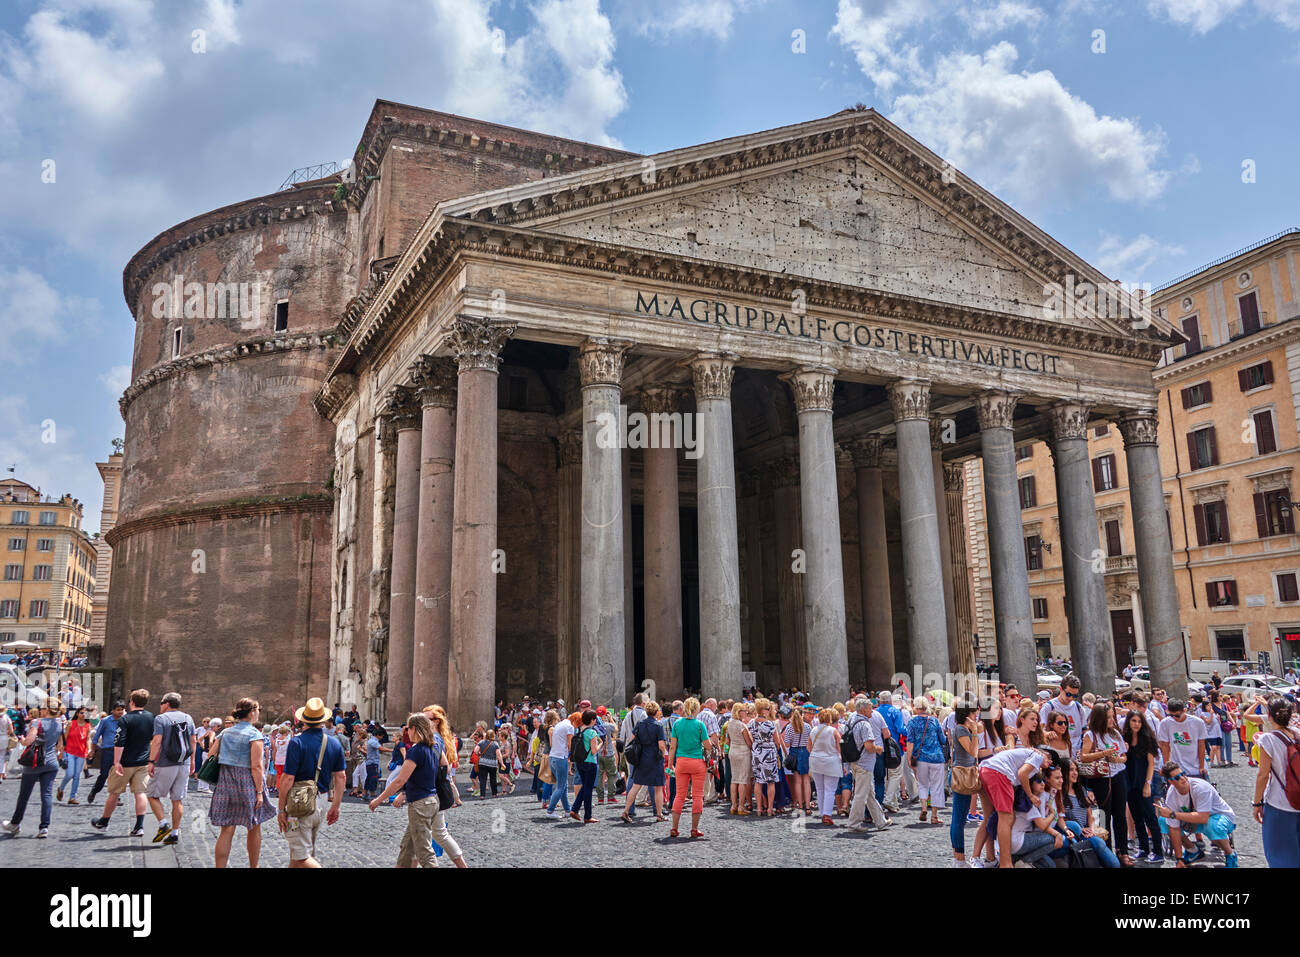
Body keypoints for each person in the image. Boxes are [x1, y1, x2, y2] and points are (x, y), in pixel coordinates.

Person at [370, 711, 466, 867]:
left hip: (420, 803)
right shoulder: (434, 746)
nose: (406, 731)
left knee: (424, 852)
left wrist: (378, 800)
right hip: (433, 800)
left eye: (408, 728)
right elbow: (446, 769)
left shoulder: (416, 750)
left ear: (414, 729)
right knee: (408, 847)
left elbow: (399, 780)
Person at [277, 697, 346, 868]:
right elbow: (341, 777)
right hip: (321, 801)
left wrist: (280, 809)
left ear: (303, 719)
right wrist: (335, 806)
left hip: (299, 804)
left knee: (302, 857)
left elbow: (287, 779)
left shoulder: (297, 742)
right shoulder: (334, 743)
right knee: (299, 852)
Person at [209, 697, 276, 867]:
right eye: (258, 709)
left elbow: (210, 755)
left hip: (225, 781)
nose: (259, 712)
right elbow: (256, 766)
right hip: (248, 782)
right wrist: (260, 792)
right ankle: (254, 866)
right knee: (254, 826)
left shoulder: (225, 732)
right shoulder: (254, 734)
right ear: (252, 711)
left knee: (227, 829)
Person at [978, 745, 1055, 867]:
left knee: (997, 816)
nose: (1050, 761)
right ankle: (1005, 862)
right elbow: (1022, 773)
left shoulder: (1029, 755)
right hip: (998, 772)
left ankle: (984, 857)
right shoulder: (1038, 756)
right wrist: (1030, 795)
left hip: (985, 769)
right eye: (1048, 757)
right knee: (1006, 818)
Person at [91, 689, 153, 837]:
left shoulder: (125, 719)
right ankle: (139, 826)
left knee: (114, 792)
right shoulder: (151, 717)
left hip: (125, 762)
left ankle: (104, 822)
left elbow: (119, 741)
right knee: (140, 793)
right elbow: (153, 739)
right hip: (143, 762)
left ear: (131, 702)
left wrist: (117, 761)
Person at [1156, 761, 1237, 867]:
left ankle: (1230, 854)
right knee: (1164, 821)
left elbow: (1203, 818)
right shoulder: (1172, 794)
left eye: (1183, 774)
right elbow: (1174, 828)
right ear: (1171, 782)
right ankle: (1193, 851)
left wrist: (1173, 814)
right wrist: (1179, 859)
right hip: (1195, 819)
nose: (1182, 778)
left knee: (1212, 826)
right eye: (1177, 777)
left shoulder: (1200, 787)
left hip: (1219, 816)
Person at [1, 702, 64, 838]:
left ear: (47, 709)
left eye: (41, 708)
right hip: (51, 762)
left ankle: (15, 823)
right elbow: (60, 746)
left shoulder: (37, 722)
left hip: (35, 763)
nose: (40, 711)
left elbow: (29, 741)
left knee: (24, 795)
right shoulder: (59, 723)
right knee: (46, 795)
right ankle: (44, 827)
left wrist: (22, 740)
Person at [1078, 702, 1131, 865]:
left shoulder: (1115, 733)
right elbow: (1083, 757)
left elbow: (1124, 755)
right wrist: (1103, 754)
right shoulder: (1091, 735)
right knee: (1102, 815)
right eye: (1108, 717)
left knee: (1120, 814)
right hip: (1101, 778)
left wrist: (1117, 758)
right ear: (1100, 719)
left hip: (1118, 775)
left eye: (1112, 717)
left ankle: (1122, 851)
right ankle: (1105, 851)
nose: (1112, 720)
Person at [1252, 694, 1300, 868]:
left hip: (1280, 801)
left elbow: (1263, 775)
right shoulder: (1298, 734)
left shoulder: (1268, 739)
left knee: (1279, 852)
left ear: (1269, 716)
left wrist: (1256, 803)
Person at [145, 692, 196, 846]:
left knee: (152, 795)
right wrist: (192, 762)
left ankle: (163, 824)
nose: (160, 706)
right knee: (177, 799)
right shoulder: (188, 718)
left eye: (161, 703)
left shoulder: (161, 719)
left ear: (167, 703)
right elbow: (193, 741)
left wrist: (151, 761)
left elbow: (157, 741)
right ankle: (175, 833)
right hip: (184, 763)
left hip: (165, 763)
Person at [1122, 706, 1163, 863]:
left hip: (1144, 781)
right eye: (1133, 721)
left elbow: (1151, 764)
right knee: (1137, 817)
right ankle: (1143, 848)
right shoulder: (1124, 737)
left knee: (1150, 817)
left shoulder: (1147, 739)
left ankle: (1158, 851)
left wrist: (1148, 784)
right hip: (1129, 783)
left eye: (1139, 721)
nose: (1136, 724)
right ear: (1129, 722)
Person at [845, 696, 891, 834]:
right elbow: (869, 746)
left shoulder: (851, 719)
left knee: (869, 793)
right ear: (864, 710)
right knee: (860, 795)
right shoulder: (865, 724)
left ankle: (880, 821)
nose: (873, 710)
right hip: (864, 763)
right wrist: (878, 749)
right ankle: (853, 823)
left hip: (855, 761)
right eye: (871, 708)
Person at [667, 697, 711, 838]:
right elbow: (707, 745)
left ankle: (674, 828)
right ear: (697, 709)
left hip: (681, 762)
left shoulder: (677, 724)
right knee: (697, 796)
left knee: (680, 795)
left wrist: (670, 765)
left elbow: (673, 746)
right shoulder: (699, 725)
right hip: (697, 762)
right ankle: (694, 829)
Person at [621, 700, 668, 823]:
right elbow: (661, 745)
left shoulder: (639, 724)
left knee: (636, 786)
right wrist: (663, 755)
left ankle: (626, 811)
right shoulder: (658, 726)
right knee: (658, 787)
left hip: (642, 758)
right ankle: (659, 814)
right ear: (657, 712)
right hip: (655, 758)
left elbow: (631, 740)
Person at [905, 697, 946, 826]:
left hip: (921, 758)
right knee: (936, 787)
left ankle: (923, 808)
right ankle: (934, 816)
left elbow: (910, 742)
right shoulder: (934, 721)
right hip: (936, 757)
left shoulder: (912, 722)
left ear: (916, 708)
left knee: (922, 784)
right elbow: (943, 740)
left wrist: (909, 759)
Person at [808, 707, 843, 826]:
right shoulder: (833, 731)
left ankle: (822, 811)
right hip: (831, 761)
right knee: (830, 788)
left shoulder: (813, 730)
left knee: (820, 788)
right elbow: (839, 747)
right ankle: (827, 814)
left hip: (816, 760)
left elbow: (809, 747)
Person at [85, 700, 125, 804]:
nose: (120, 712)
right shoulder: (106, 721)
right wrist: (92, 750)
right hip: (108, 750)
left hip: (120, 750)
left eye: (122, 710)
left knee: (118, 774)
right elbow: (96, 736)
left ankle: (117, 796)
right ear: (113, 711)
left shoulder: (125, 721)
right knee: (104, 774)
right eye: (118, 710)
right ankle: (94, 791)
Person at [1158, 698, 1207, 778]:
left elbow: (1201, 744)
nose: (1174, 718)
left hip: (1195, 767)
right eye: (1171, 715)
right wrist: (1167, 767)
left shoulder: (1198, 722)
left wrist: (1201, 766)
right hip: (1176, 768)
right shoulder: (1165, 723)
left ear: (1184, 710)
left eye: (1177, 715)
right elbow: (1164, 746)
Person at [1039, 675, 1088, 754]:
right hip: (1056, 752)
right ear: (1061, 689)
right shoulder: (1049, 707)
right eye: (1068, 694)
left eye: (1075, 696)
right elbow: (1039, 730)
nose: (1071, 698)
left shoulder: (1079, 707)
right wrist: (1046, 733)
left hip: (1076, 752)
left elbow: (1084, 730)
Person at [749, 698, 780, 816]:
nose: (769, 710)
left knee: (758, 781)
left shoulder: (751, 723)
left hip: (757, 752)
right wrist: (775, 750)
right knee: (770, 782)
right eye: (768, 709)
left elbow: (749, 736)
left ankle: (759, 808)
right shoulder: (769, 724)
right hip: (768, 753)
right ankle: (770, 808)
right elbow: (776, 740)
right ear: (763, 710)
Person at [570, 709, 602, 824]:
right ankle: (587, 816)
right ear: (592, 720)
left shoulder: (578, 730)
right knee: (588, 789)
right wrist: (601, 744)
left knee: (585, 787)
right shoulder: (592, 733)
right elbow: (594, 751)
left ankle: (574, 809)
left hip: (580, 762)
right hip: (590, 763)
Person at [544, 709, 576, 818]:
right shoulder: (569, 727)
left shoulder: (559, 725)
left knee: (563, 785)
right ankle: (550, 810)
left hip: (553, 757)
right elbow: (570, 745)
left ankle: (568, 810)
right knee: (561, 787)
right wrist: (572, 756)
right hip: (561, 758)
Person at [781, 705, 811, 814]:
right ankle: (807, 806)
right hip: (805, 752)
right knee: (806, 780)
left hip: (794, 752)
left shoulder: (789, 727)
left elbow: (787, 743)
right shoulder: (807, 726)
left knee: (797, 781)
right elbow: (810, 742)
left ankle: (799, 805)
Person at [57, 706, 90, 805]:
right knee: (69, 774)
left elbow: (88, 739)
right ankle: (61, 788)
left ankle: (72, 797)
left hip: (81, 753)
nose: (83, 715)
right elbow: (64, 737)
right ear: (77, 714)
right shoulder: (71, 724)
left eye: (85, 713)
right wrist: (61, 750)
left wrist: (89, 749)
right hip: (70, 751)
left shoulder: (88, 725)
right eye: (81, 713)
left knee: (77, 776)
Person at [726, 701, 753, 815]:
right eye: (744, 710)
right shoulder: (742, 725)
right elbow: (749, 742)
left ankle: (733, 805)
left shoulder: (729, 723)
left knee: (734, 779)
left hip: (733, 750)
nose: (746, 712)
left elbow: (728, 740)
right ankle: (741, 806)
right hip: (743, 752)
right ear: (739, 712)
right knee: (742, 780)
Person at [594, 706, 619, 804]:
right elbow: (616, 729)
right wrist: (611, 718)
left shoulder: (595, 726)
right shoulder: (608, 725)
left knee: (600, 775)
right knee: (611, 774)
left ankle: (600, 798)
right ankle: (610, 797)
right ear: (605, 714)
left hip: (599, 753)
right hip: (609, 752)